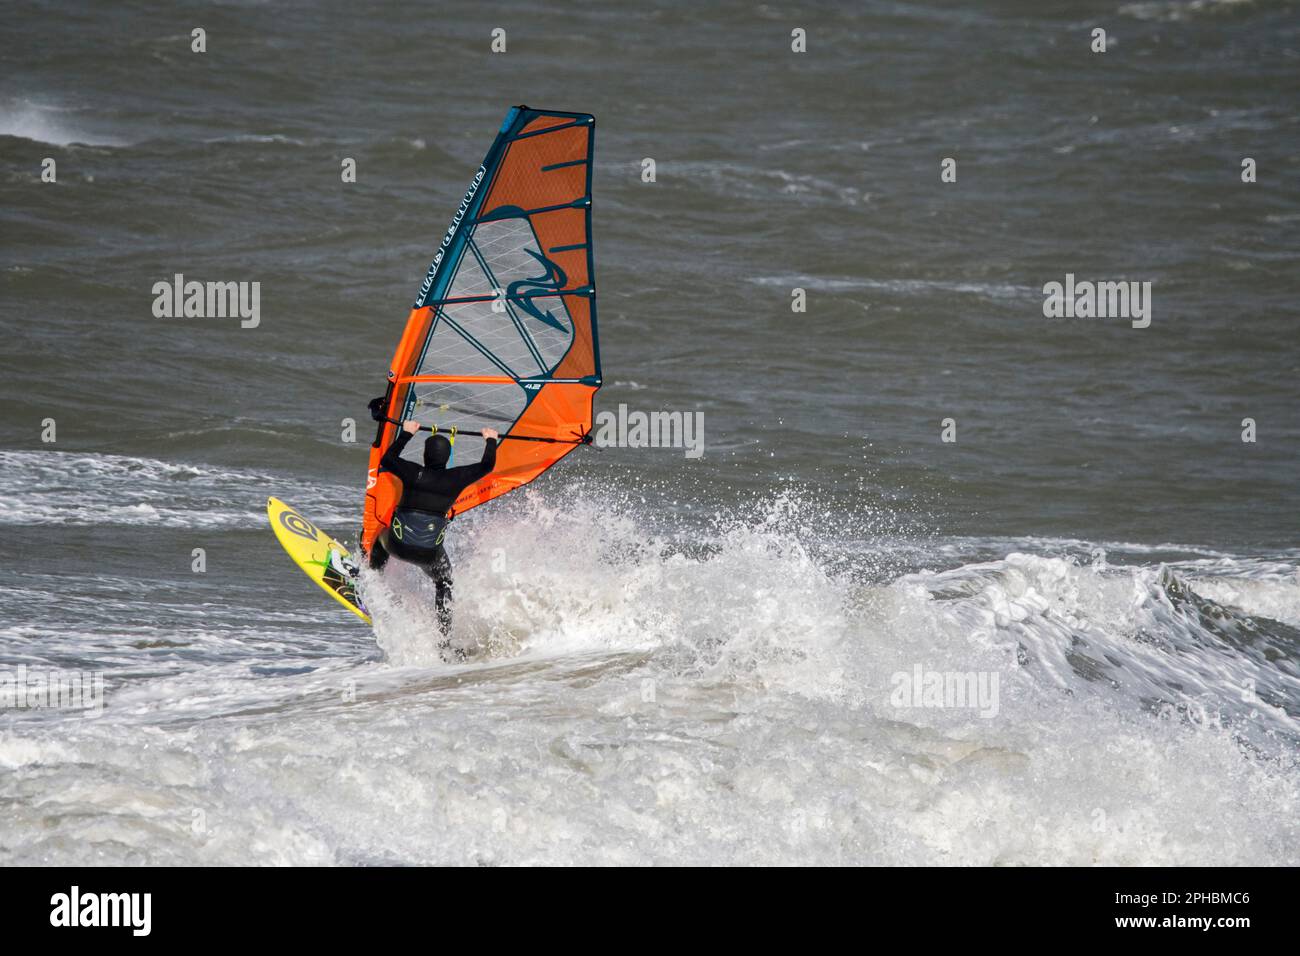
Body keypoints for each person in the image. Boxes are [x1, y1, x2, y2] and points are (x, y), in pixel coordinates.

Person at [368, 417, 499, 639]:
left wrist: (407, 433)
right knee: (444, 582)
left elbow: (388, 459)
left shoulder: (412, 472)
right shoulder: (455, 478)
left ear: (424, 456)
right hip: (429, 554)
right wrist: (491, 440)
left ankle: (371, 583)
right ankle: (444, 637)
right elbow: (487, 466)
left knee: (380, 537)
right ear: (448, 458)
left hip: (397, 545)